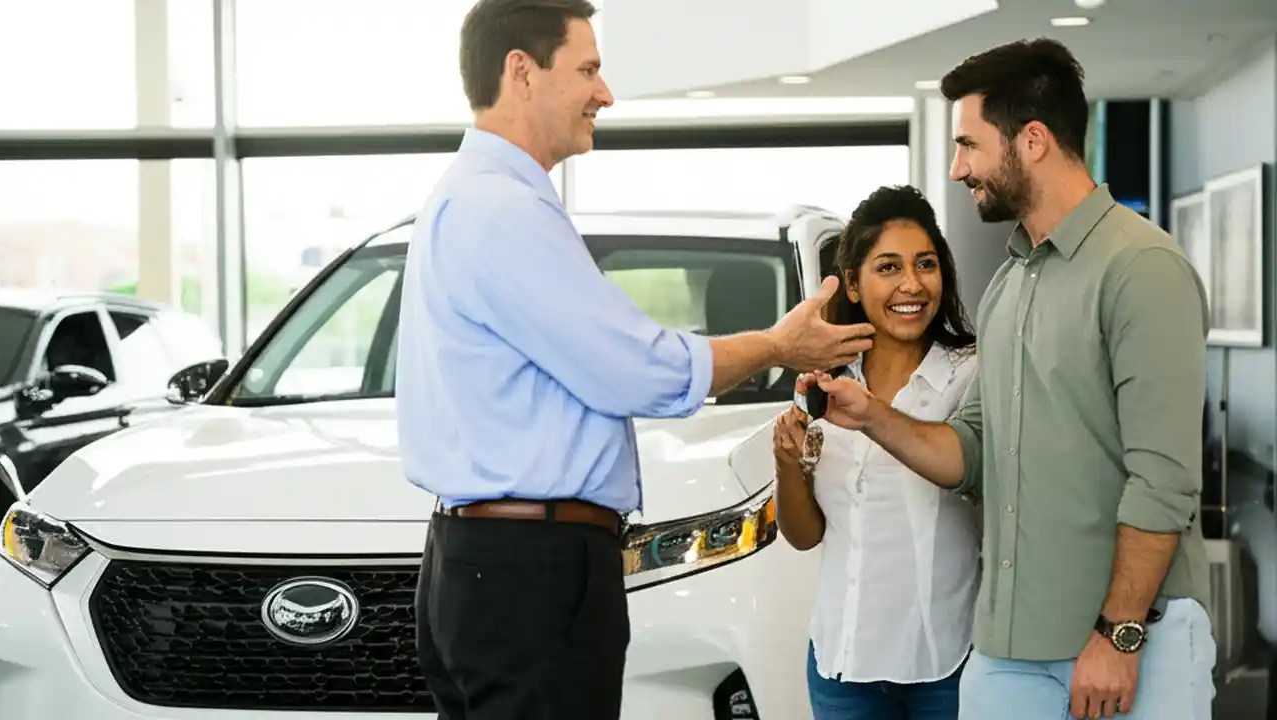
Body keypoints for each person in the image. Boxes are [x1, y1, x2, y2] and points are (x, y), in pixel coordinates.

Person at [394, 2, 875, 719]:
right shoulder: (503, 212)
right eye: (587, 69)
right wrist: (779, 345)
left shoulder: (469, 200)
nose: (605, 93)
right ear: (521, 73)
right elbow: (639, 370)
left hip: (486, 563)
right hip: (531, 572)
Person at [806, 38, 1215, 720]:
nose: (957, 168)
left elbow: (1163, 480)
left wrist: (1119, 632)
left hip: (1135, 641)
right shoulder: (1009, 284)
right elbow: (972, 453)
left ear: (1031, 141)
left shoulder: (1142, 268)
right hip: (1008, 654)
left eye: (969, 145)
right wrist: (868, 412)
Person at [773, 185, 979, 720]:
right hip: (842, 663)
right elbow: (805, 535)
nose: (911, 284)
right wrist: (786, 465)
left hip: (945, 664)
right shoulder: (823, 386)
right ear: (854, 286)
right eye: (888, 268)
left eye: (925, 264)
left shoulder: (972, 376)